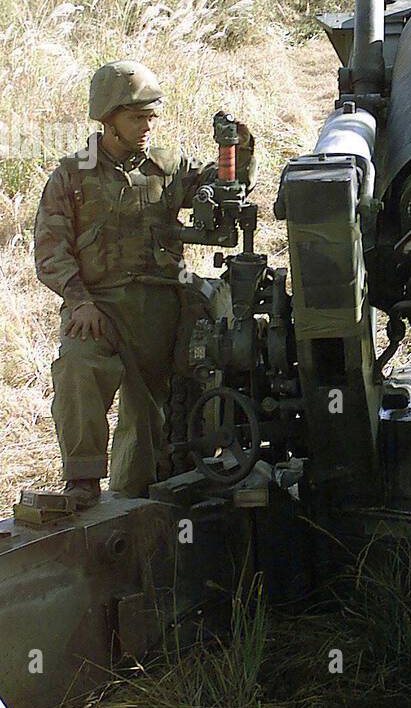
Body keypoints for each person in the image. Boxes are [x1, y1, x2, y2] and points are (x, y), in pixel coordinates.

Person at [33, 60, 256, 508]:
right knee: (78, 369)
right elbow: (50, 250)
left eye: (151, 117)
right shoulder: (73, 174)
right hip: (97, 305)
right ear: (107, 119)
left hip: (159, 302)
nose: (147, 126)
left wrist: (240, 152)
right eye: (137, 117)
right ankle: (81, 481)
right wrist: (78, 302)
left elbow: (223, 190)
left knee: (149, 413)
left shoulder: (168, 167)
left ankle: (133, 499)